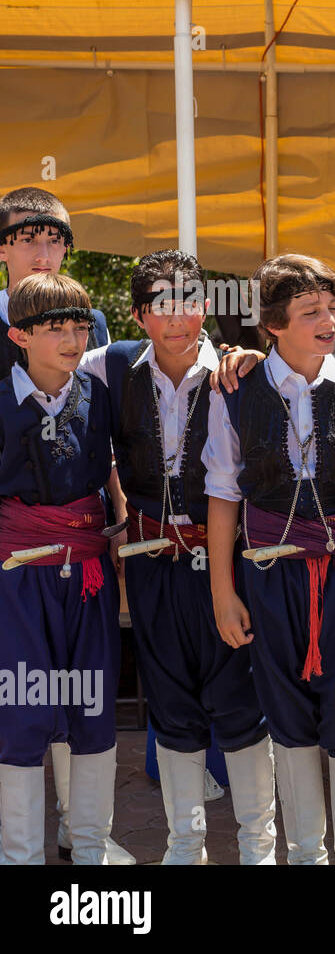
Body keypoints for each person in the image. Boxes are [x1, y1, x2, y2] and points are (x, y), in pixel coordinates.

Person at [79, 250, 277, 864]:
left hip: (228, 558)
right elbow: (45, 369)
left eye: (189, 302)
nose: (178, 318)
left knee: (241, 701)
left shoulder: (245, 372)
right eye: (162, 306)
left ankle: (258, 849)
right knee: (170, 703)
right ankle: (185, 848)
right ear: (139, 315)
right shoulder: (108, 367)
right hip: (148, 558)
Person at [204, 254, 335, 864]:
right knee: (284, 709)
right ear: (273, 326)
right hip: (270, 572)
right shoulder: (237, 390)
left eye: (333, 309)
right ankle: (306, 855)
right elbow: (223, 496)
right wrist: (222, 593)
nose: (328, 321)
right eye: (310, 312)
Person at [0, 187, 127, 864]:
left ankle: (87, 846)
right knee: (20, 704)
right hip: (17, 569)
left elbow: (107, 456)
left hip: (85, 568)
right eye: (26, 235)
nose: (71, 339)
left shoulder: (98, 381)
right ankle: (17, 853)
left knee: (90, 703)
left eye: (77, 327)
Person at [0, 188, 111, 374]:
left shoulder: (94, 325)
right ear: (2, 249)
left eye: (54, 240)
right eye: (28, 240)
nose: (43, 257)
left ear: (65, 248)